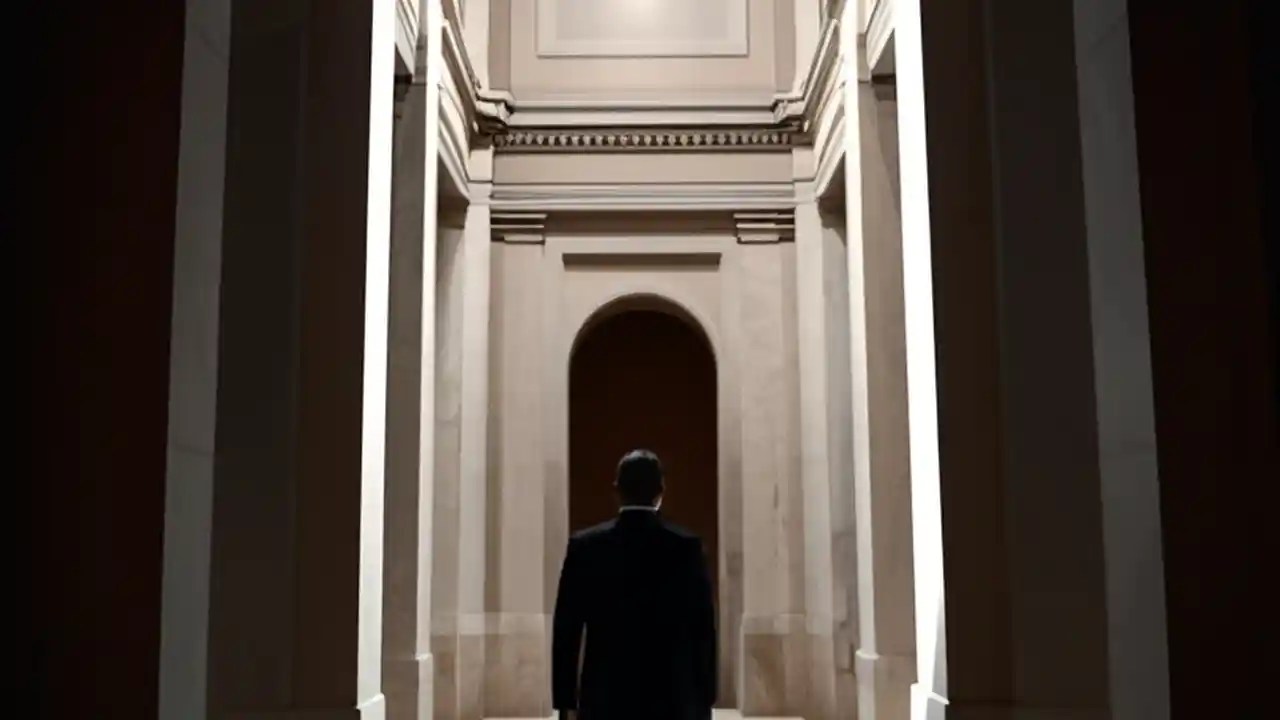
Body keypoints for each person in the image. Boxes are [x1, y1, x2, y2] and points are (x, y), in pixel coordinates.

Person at [552, 449, 717, 720]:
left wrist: (565, 700)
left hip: (604, 693)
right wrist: (705, 695)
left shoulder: (586, 547)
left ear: (617, 490)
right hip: (671, 695)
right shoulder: (686, 548)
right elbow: (703, 628)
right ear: (660, 491)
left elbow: (566, 629)